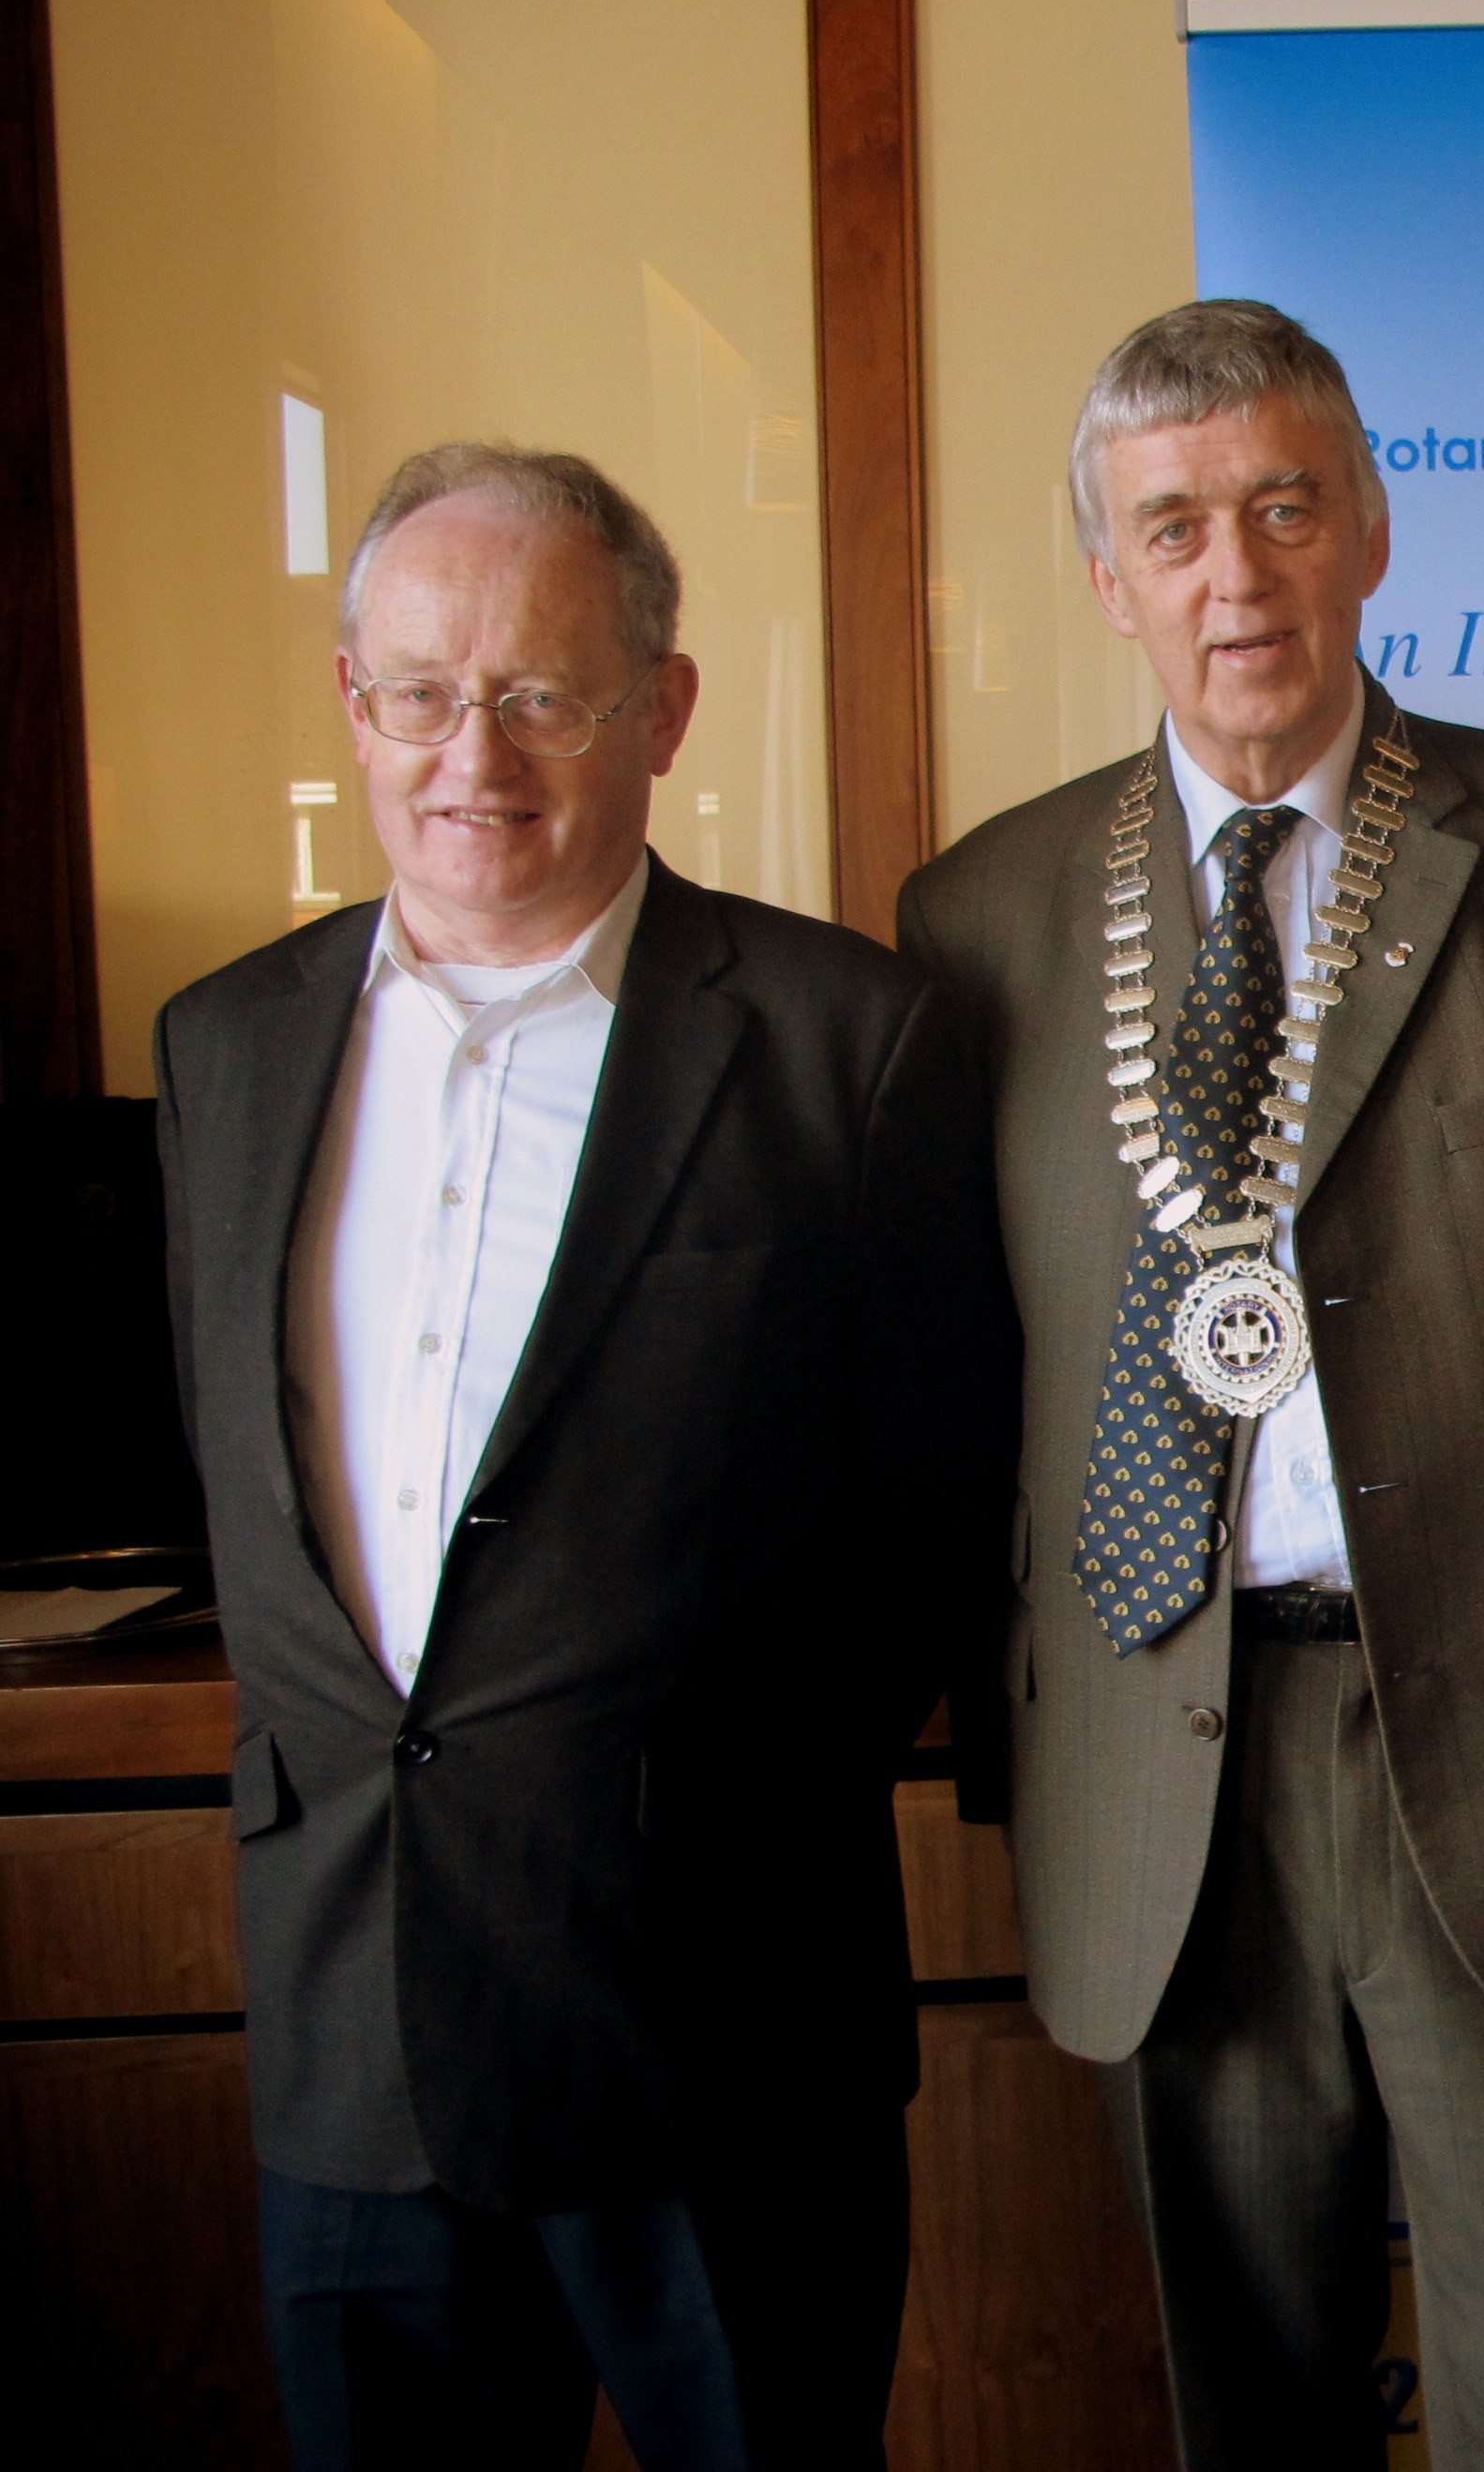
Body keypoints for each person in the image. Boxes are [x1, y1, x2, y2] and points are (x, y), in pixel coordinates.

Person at [896, 298, 1484, 2471]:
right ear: (1108, 578)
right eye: (1178, 528)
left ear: (1372, 530)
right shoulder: (979, 922)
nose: (1239, 575)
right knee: (1247, 2390)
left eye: (1286, 508)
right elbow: (955, 1399)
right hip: (1161, 1771)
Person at [156, 445, 1015, 2471]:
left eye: (543, 691)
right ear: (354, 707)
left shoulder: (846, 1041)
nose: (478, 750)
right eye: (424, 690)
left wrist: (671, 1800)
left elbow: (942, 1516)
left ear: (664, 711)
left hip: (716, 2034)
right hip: (347, 2029)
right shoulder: (222, 1049)